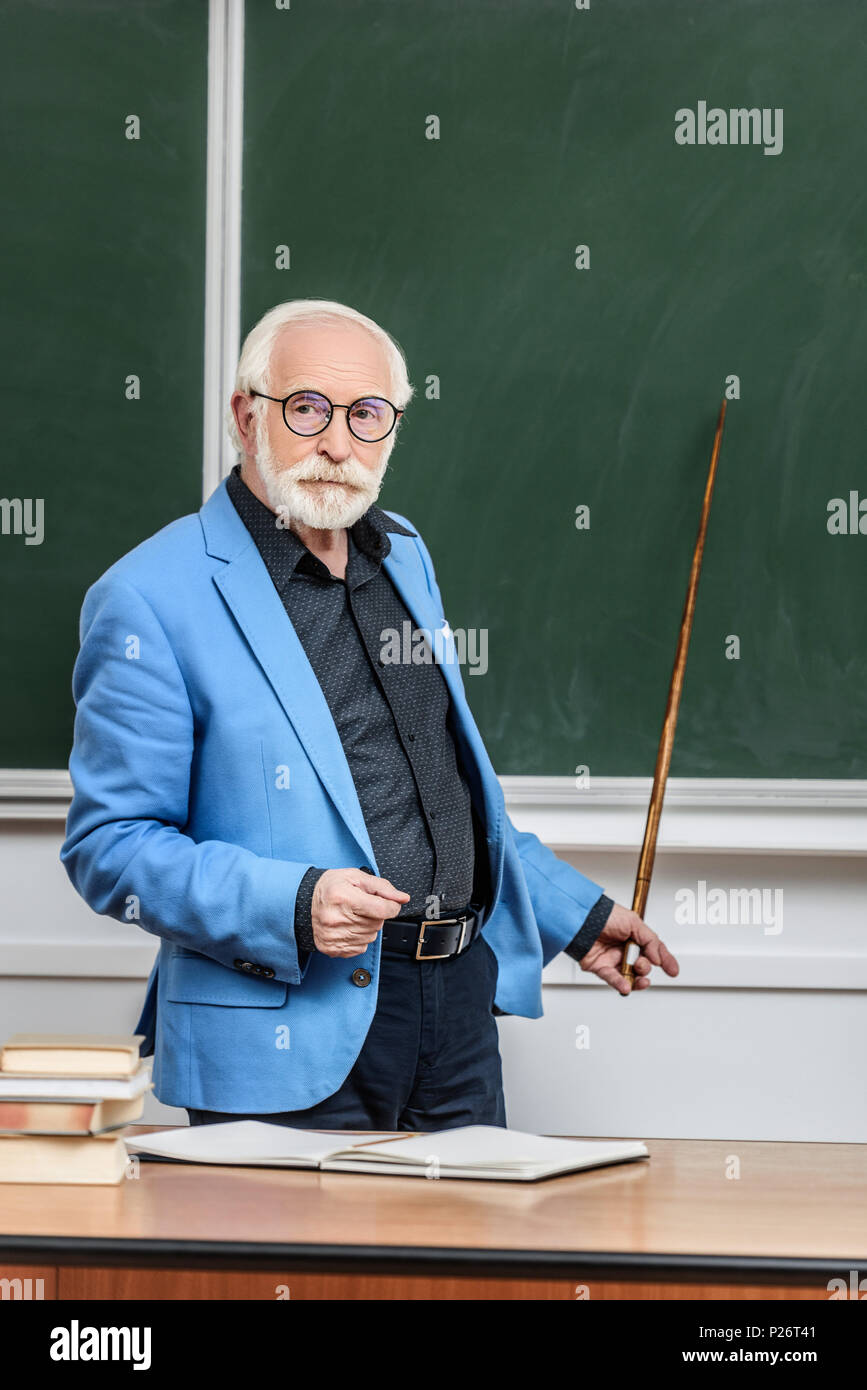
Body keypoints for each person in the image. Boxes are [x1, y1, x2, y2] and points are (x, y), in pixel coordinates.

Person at [61, 298, 678, 1130]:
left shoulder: (403, 555)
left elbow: (439, 795)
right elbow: (110, 847)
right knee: (303, 1267)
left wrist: (579, 917)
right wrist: (291, 903)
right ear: (248, 417)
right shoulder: (148, 596)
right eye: (307, 408)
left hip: (457, 1015)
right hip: (284, 1032)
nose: (337, 444)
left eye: (367, 414)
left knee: (461, 1263)